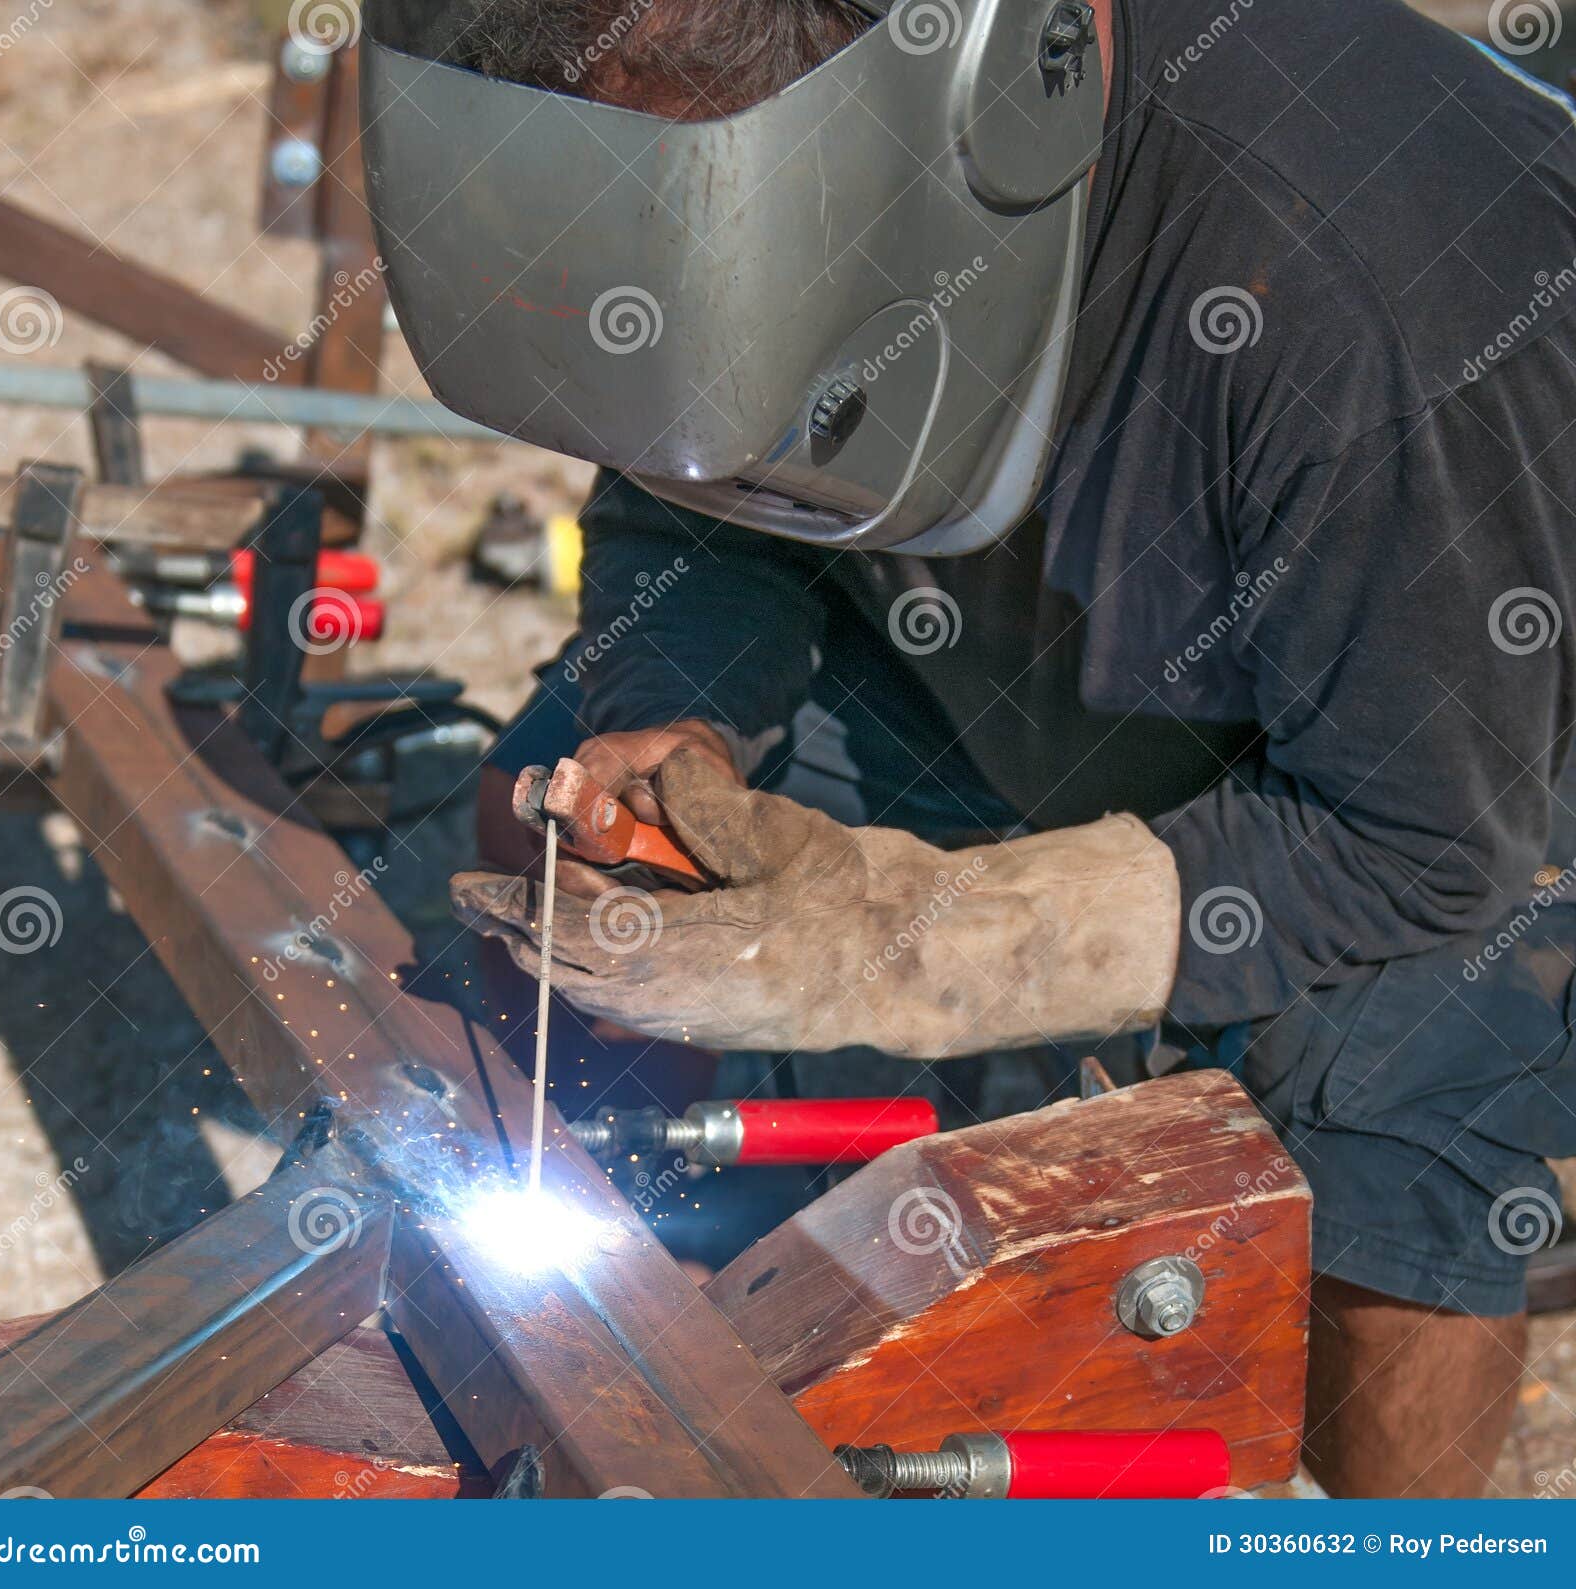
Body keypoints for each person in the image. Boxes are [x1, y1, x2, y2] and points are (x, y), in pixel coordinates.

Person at [362, 0, 1576, 1495]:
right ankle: (745, 1338)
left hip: (1448, 762)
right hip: (1026, 654)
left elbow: (1418, 844)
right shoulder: (781, 131)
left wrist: (894, 940)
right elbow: (693, 497)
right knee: (549, 836)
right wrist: (685, 714)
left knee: (1388, 1089)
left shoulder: (1376, 298)